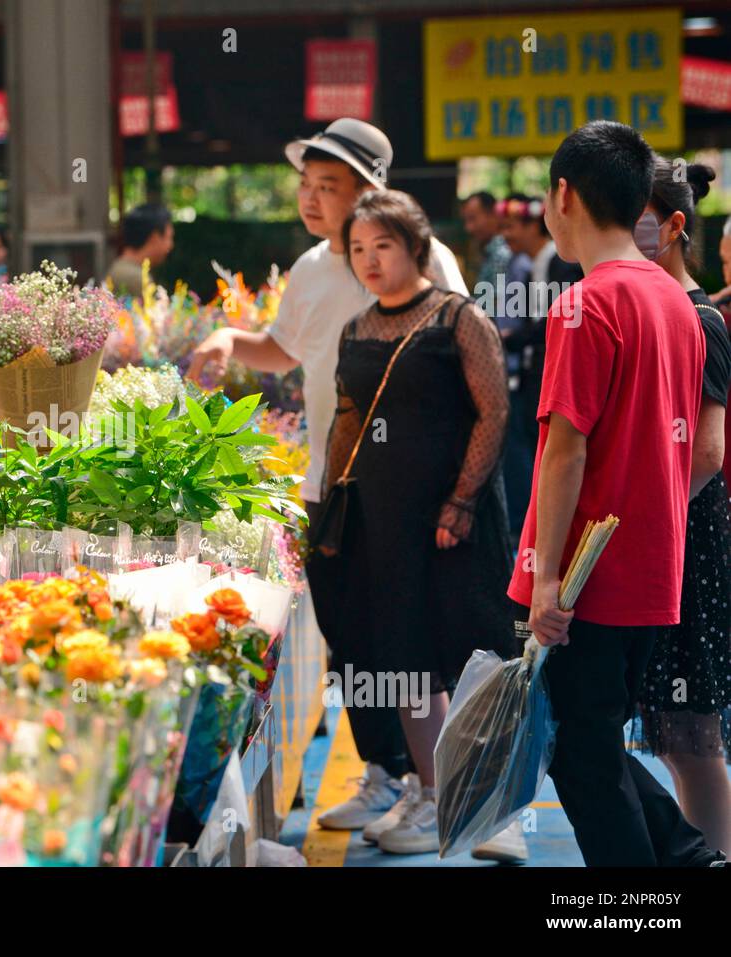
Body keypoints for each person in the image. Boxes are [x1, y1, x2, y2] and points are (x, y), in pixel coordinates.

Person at [186, 117, 473, 847]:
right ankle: (385, 771)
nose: (311, 200)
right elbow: (283, 348)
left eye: (329, 187)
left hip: (406, 488)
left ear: (372, 191)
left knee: (412, 646)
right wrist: (227, 340)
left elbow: (466, 361)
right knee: (357, 642)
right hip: (330, 489)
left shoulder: (426, 259)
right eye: (306, 186)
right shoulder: (314, 267)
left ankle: (440, 792)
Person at [509, 120, 724, 867]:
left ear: (562, 195)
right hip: (647, 572)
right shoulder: (678, 304)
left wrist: (544, 583)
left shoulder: (584, 304)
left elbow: (566, 450)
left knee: (584, 757)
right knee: (590, 741)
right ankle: (692, 857)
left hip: (583, 578)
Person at [321, 189, 516, 857]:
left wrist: (461, 501)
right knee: (405, 662)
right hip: (385, 519)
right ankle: (434, 794)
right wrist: (328, 505)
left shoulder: (459, 318)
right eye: (357, 250)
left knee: (474, 655)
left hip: (452, 519)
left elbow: (494, 412)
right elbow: (346, 421)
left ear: (416, 247)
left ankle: (497, 802)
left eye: (383, 246)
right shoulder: (356, 329)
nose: (370, 261)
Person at [631, 158, 731, 856]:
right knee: (673, 732)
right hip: (660, 534)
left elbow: (705, 453)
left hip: (685, 539)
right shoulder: (653, 307)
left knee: (691, 731)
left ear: (673, 226)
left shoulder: (702, 319)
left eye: (635, 215)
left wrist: (643, 522)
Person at [497, 194, 584, 545]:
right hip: (534, 371)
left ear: (537, 225)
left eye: (512, 226)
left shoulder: (559, 263)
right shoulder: (535, 263)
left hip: (551, 370)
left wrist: (513, 338)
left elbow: (555, 322)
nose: (506, 235)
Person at [106, 204, 174, 297]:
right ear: (155, 238)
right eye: (169, 237)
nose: (170, 245)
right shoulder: (136, 278)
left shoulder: (120, 268)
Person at [460, 191, 512, 295]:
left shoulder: (501, 255)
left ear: (493, 214)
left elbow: (496, 306)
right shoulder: (488, 252)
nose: (468, 228)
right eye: (465, 221)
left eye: (472, 219)